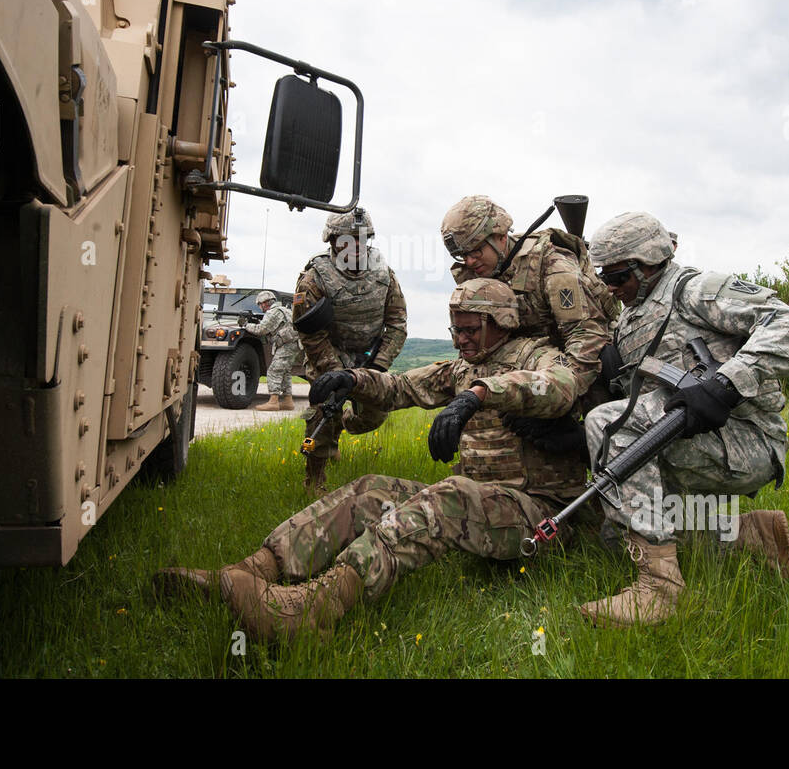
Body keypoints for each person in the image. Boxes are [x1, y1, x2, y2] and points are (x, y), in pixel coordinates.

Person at [154, 279, 585, 641]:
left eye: (471, 330)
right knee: (369, 489)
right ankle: (250, 572)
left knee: (448, 495)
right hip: (483, 504)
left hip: (541, 514)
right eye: (456, 331)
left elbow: (560, 385)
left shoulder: (537, 355)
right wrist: (353, 379)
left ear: (501, 322)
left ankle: (316, 606)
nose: (462, 340)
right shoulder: (460, 368)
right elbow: (399, 387)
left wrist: (480, 395)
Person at [577, 211, 789, 627]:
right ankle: (748, 535)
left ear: (648, 263)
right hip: (690, 435)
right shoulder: (632, 317)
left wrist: (727, 383)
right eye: (605, 279)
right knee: (618, 535)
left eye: (619, 278)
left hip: (746, 437)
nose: (612, 289)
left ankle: (660, 592)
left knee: (608, 425)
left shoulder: (694, 289)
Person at [439, 195, 616, 398]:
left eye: (476, 251)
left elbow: (586, 337)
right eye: (463, 255)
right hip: (530, 368)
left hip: (579, 367)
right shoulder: (477, 273)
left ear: (501, 237)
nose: (469, 261)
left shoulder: (552, 264)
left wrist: (551, 397)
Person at [291, 207, 407, 490]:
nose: (354, 246)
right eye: (346, 240)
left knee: (374, 415)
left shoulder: (384, 275)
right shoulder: (314, 278)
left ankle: (341, 423)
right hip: (329, 353)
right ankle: (315, 476)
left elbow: (397, 325)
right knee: (322, 414)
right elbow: (311, 334)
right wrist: (335, 374)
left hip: (370, 357)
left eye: (361, 239)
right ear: (332, 241)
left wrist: (377, 367)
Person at [244, 290, 302, 411]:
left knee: (274, 370)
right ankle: (288, 401)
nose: (260, 308)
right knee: (285, 372)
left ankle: (273, 401)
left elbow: (261, 329)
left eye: (260, 305)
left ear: (265, 303)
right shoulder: (285, 310)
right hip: (293, 344)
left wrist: (246, 325)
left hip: (287, 344)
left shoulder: (273, 312)